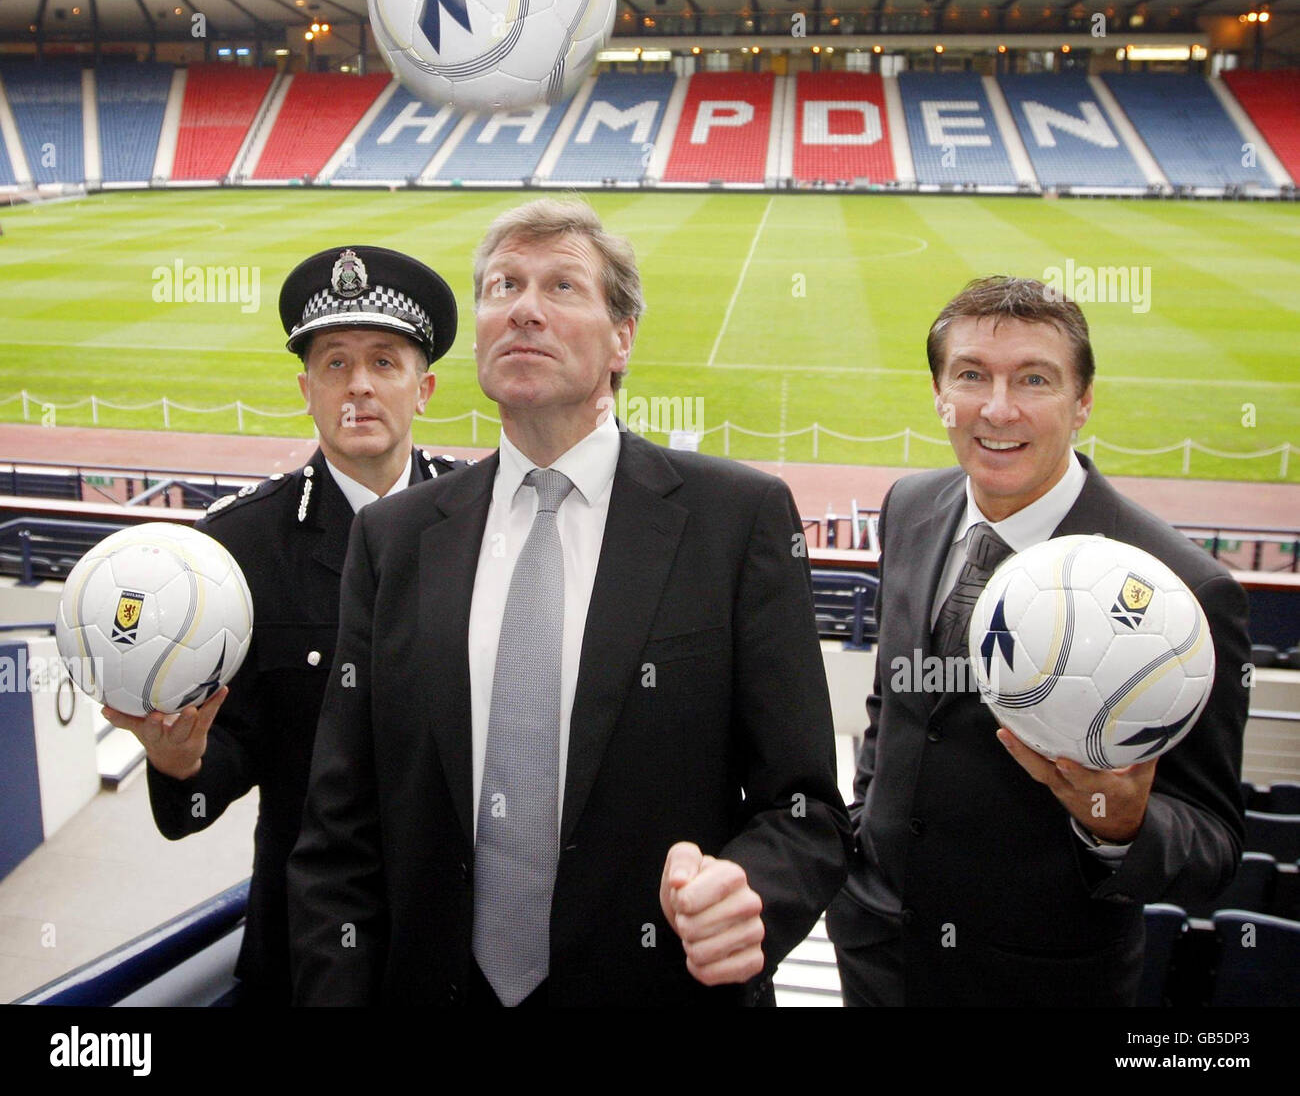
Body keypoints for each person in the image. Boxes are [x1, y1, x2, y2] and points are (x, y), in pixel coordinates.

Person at [288, 199, 851, 1007]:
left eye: (561, 287)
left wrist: (746, 890)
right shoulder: (395, 539)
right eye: (502, 285)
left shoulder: (737, 520)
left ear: (622, 337)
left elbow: (806, 811)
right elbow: (338, 834)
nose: (523, 307)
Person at [827, 275, 1250, 1007]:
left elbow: (1211, 844)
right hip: (876, 950)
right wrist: (863, 842)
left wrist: (1122, 826)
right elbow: (893, 709)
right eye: (971, 376)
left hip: (1036, 980)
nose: (998, 408)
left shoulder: (1185, 589)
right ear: (938, 392)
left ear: (1083, 401)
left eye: (1034, 379)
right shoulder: (909, 506)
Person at [103, 245, 462, 1004]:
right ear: (306, 389)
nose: (358, 385)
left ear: (424, 388)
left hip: (467, 938)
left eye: (384, 362)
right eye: (334, 364)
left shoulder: (489, 519)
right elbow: (216, 769)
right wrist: (178, 762)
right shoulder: (235, 549)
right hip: (307, 950)